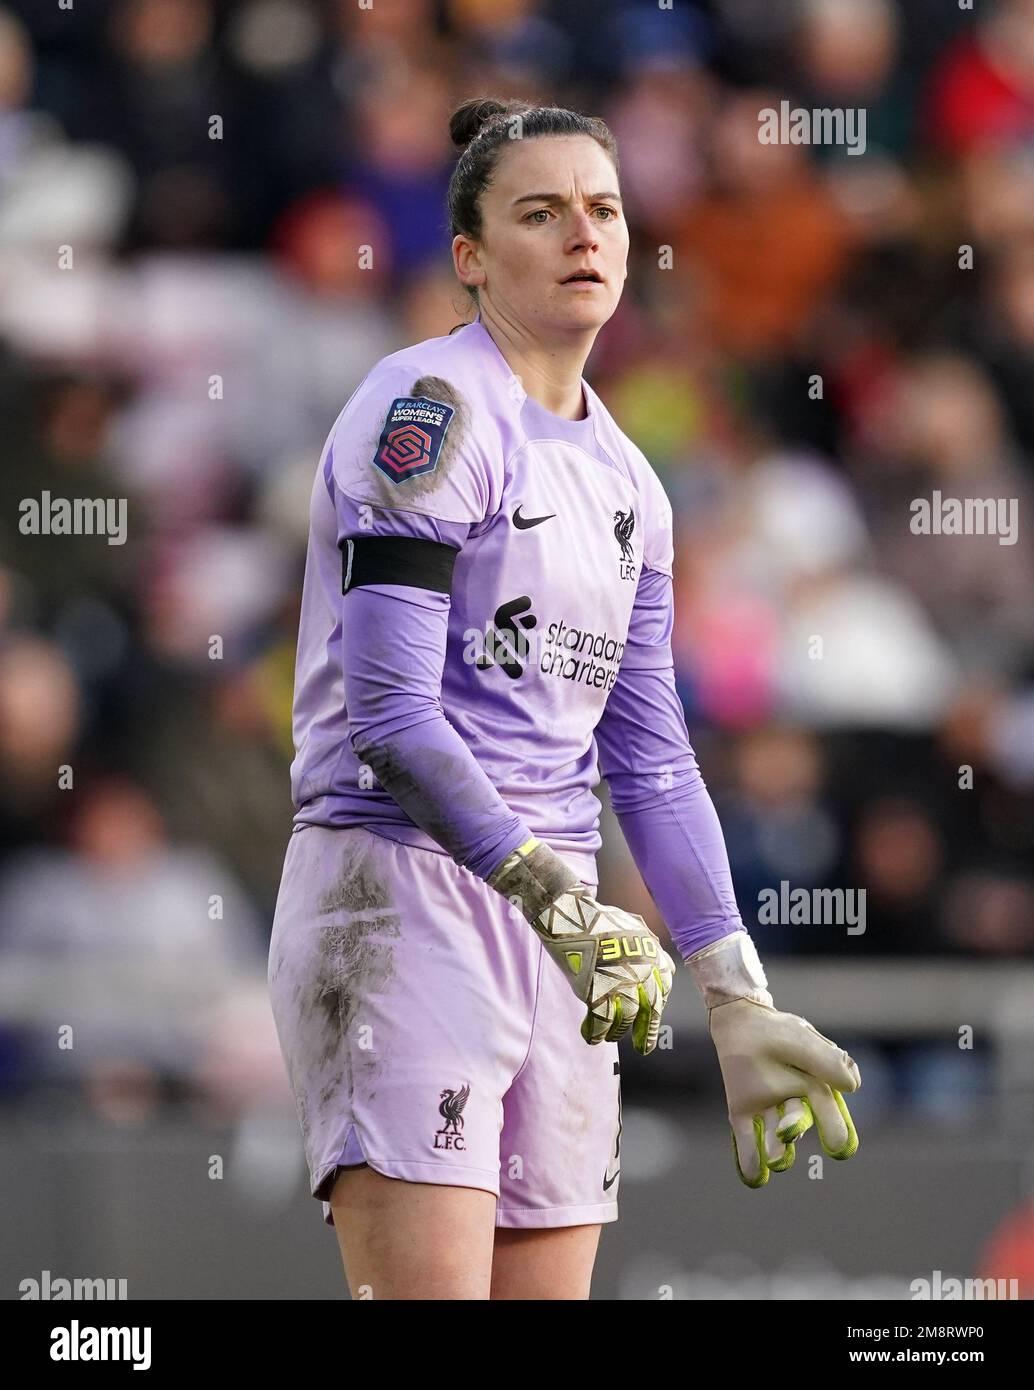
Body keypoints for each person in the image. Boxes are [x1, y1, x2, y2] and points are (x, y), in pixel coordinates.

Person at [267, 96, 862, 1301]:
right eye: (539, 214)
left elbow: (648, 760)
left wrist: (734, 995)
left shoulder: (631, 481)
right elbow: (388, 719)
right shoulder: (425, 411)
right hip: (402, 896)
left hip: (568, 938)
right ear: (471, 258)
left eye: (601, 208)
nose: (581, 234)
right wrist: (547, 890)